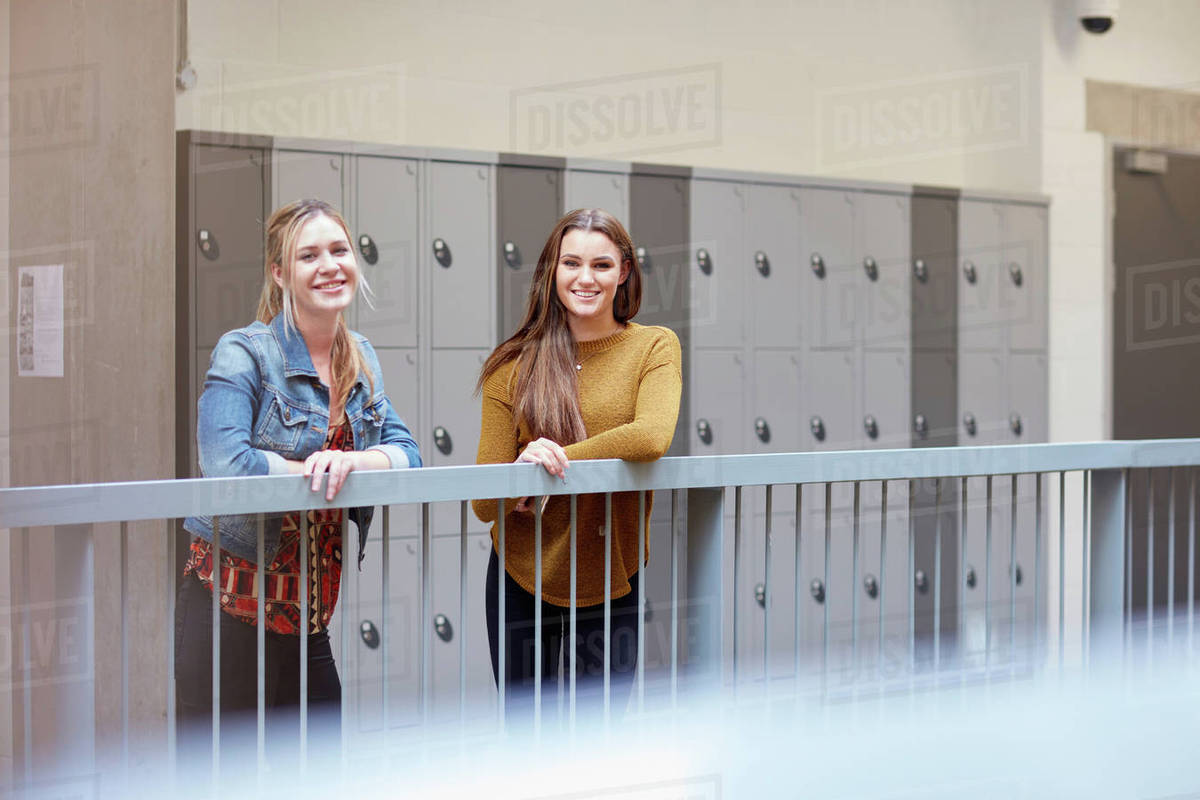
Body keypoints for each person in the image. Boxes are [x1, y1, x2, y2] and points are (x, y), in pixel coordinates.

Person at [177, 199, 421, 765]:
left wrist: (352, 462)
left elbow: (407, 453)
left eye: (339, 250)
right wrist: (308, 469)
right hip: (226, 620)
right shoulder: (246, 353)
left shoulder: (360, 359)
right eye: (308, 255)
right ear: (280, 274)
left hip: (308, 626)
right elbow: (226, 464)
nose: (330, 265)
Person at [472, 208, 681, 722]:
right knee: (529, 739)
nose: (586, 279)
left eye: (602, 265)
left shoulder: (653, 346)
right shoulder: (512, 364)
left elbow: (652, 436)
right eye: (571, 263)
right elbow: (483, 504)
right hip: (519, 578)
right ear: (552, 270)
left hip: (612, 576)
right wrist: (521, 470)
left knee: (600, 743)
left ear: (624, 272)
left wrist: (554, 463)